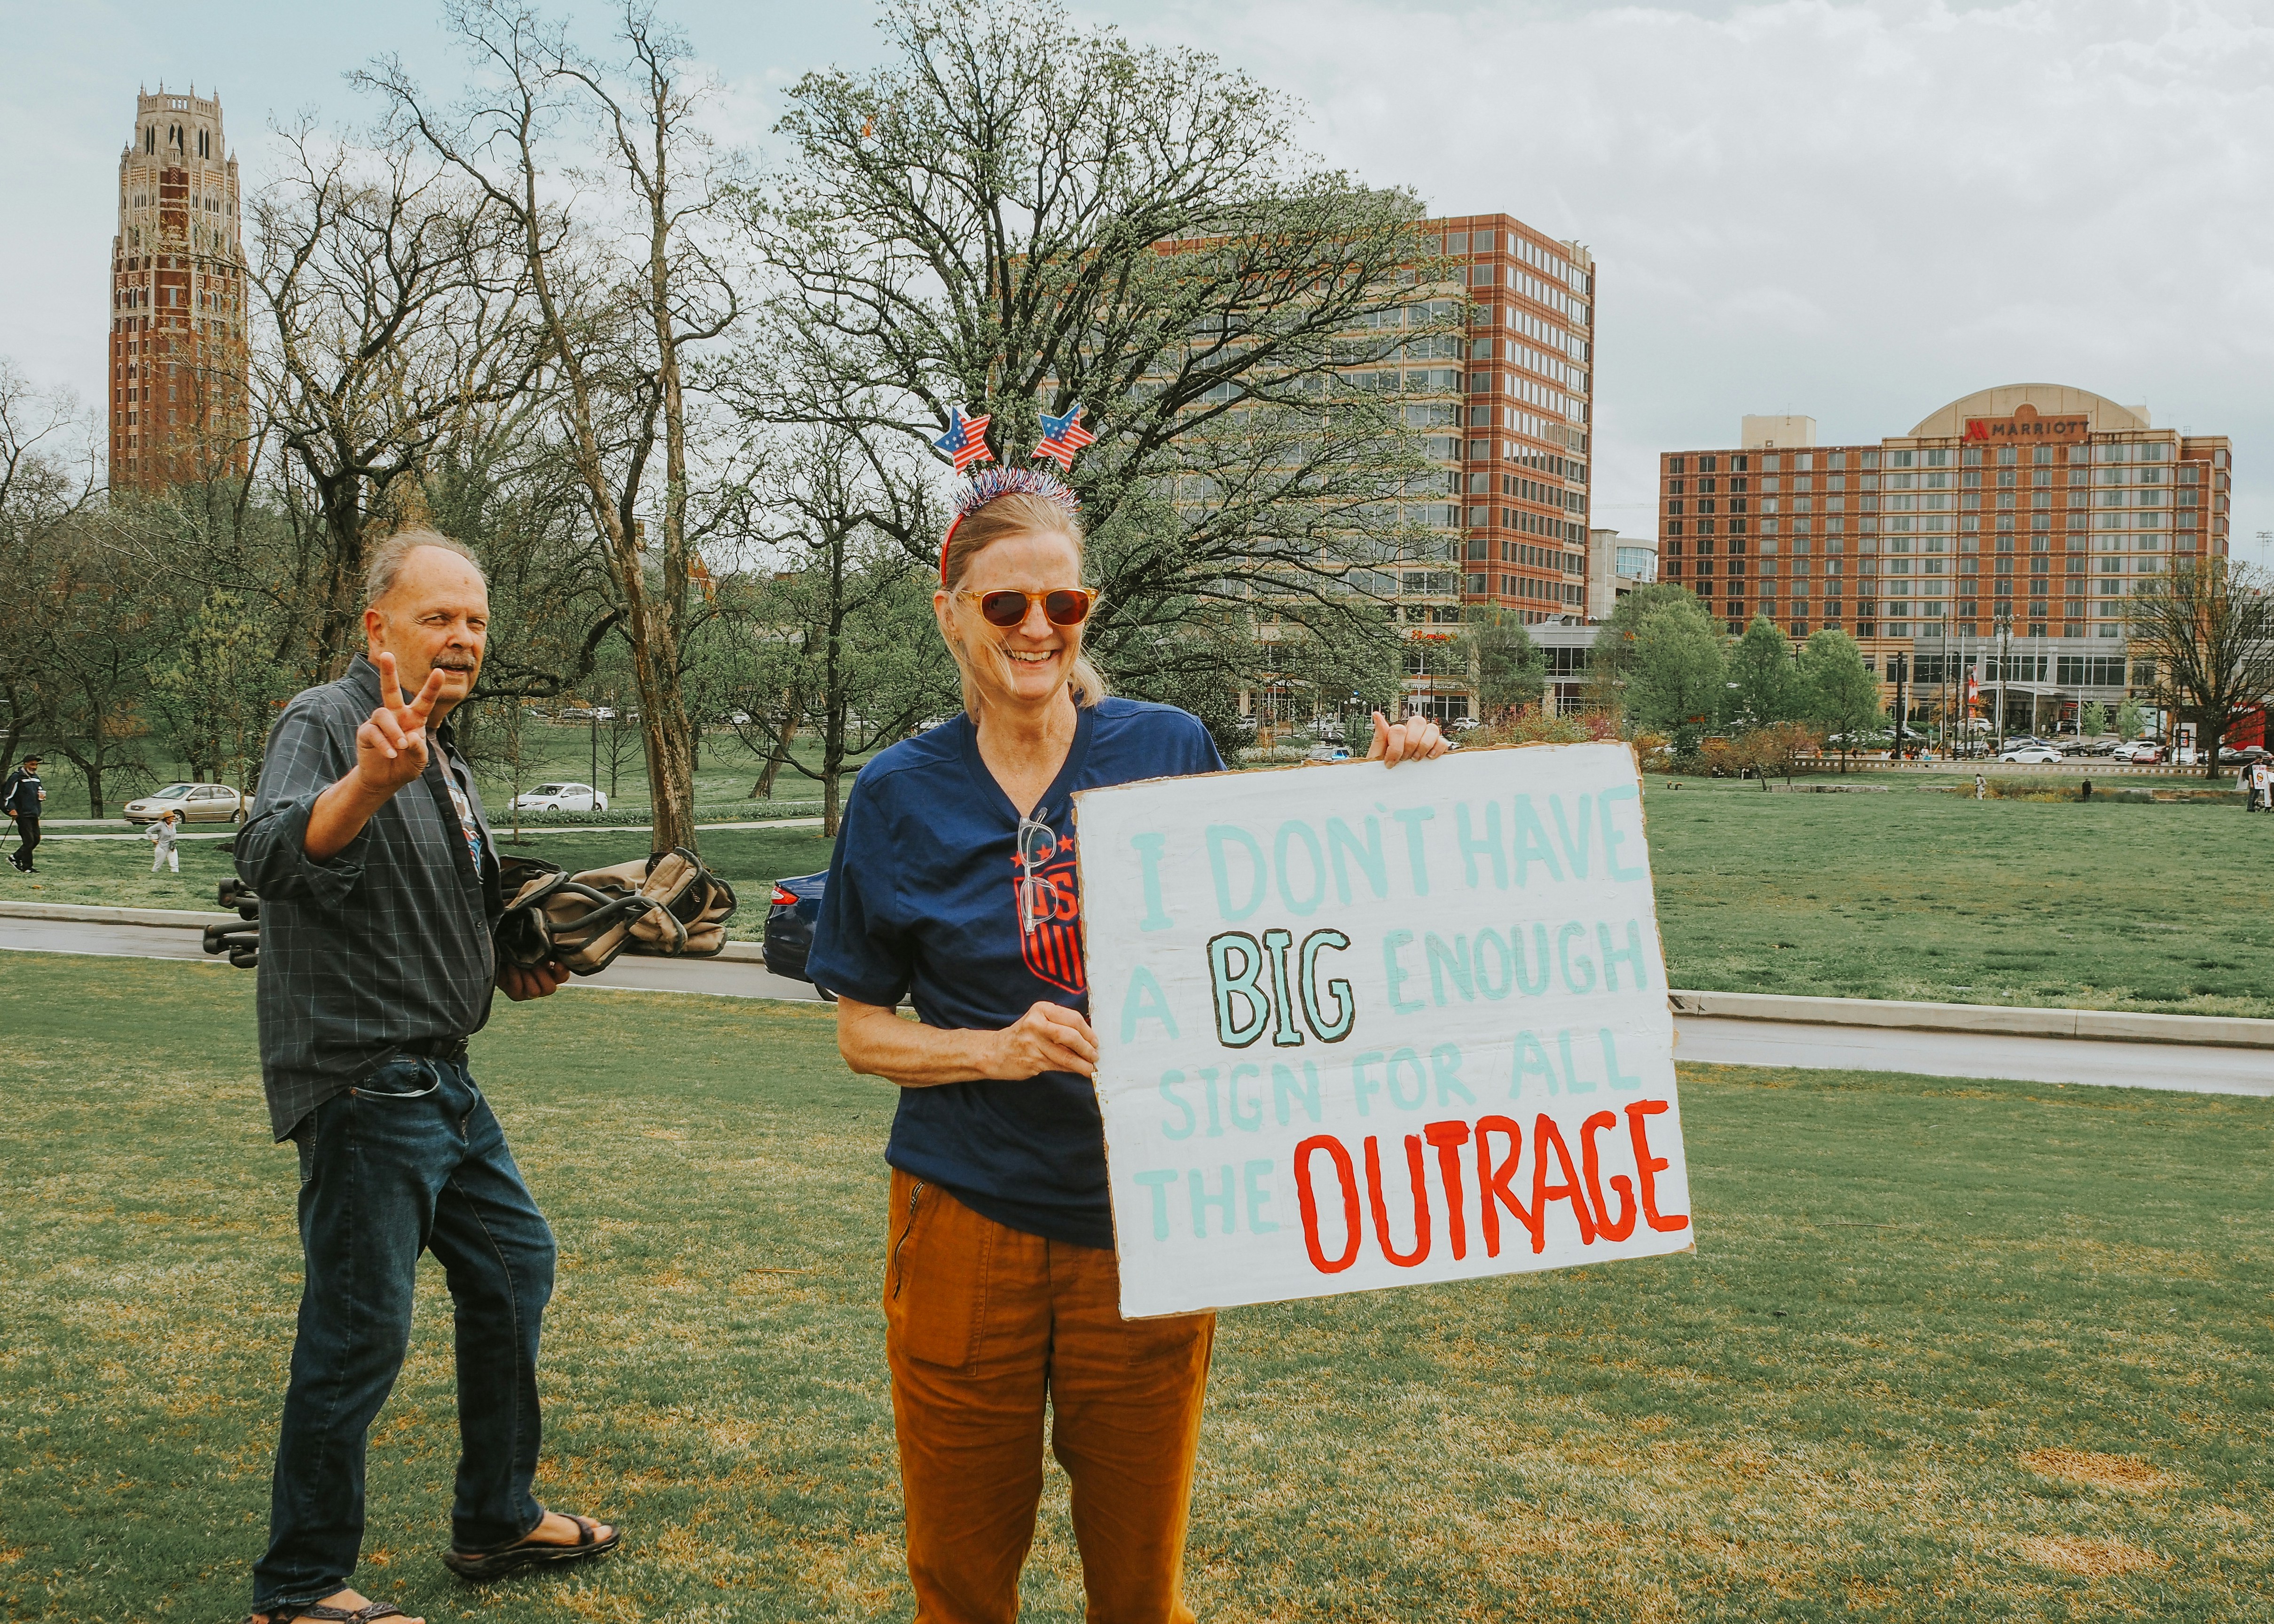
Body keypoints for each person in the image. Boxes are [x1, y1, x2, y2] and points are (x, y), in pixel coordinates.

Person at [808, 460, 1448, 1624]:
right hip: (965, 1217)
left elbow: (1262, 921)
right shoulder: (896, 792)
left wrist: (1381, 795)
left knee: (1142, 1589)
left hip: (1150, 1223)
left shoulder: (1164, 746)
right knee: (957, 1581)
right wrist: (990, 1048)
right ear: (951, 610)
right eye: (1006, 603)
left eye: (1065, 603)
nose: (1038, 627)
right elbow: (860, 1032)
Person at [235, 530, 614, 1624]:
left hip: (442, 1077)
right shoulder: (328, 720)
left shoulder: (442, 754)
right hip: (363, 1077)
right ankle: (299, 1584)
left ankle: (495, 1514)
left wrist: (516, 957)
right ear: (378, 628)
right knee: (359, 1329)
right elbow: (269, 855)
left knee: (514, 1266)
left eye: (475, 620)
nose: (459, 637)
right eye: (436, 615)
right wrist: (363, 778)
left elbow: (436, 916)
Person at [5, 753, 46, 870]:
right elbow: (8, 796)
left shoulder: (36, 777)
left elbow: (39, 790)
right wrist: (11, 809)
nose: (34, 767)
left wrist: (41, 797)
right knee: (29, 841)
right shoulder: (17, 777)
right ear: (25, 764)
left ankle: (15, 857)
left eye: (36, 765)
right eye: (32, 764)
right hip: (22, 814)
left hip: (34, 812)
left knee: (36, 839)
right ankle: (27, 867)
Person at [146, 806, 182, 873]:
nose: (174, 818)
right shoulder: (160, 825)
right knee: (158, 865)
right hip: (162, 847)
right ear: (167, 818)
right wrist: (152, 839)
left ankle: (175, 875)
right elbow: (148, 830)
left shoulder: (173, 825)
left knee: (175, 863)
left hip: (172, 847)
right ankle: (154, 874)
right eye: (172, 816)